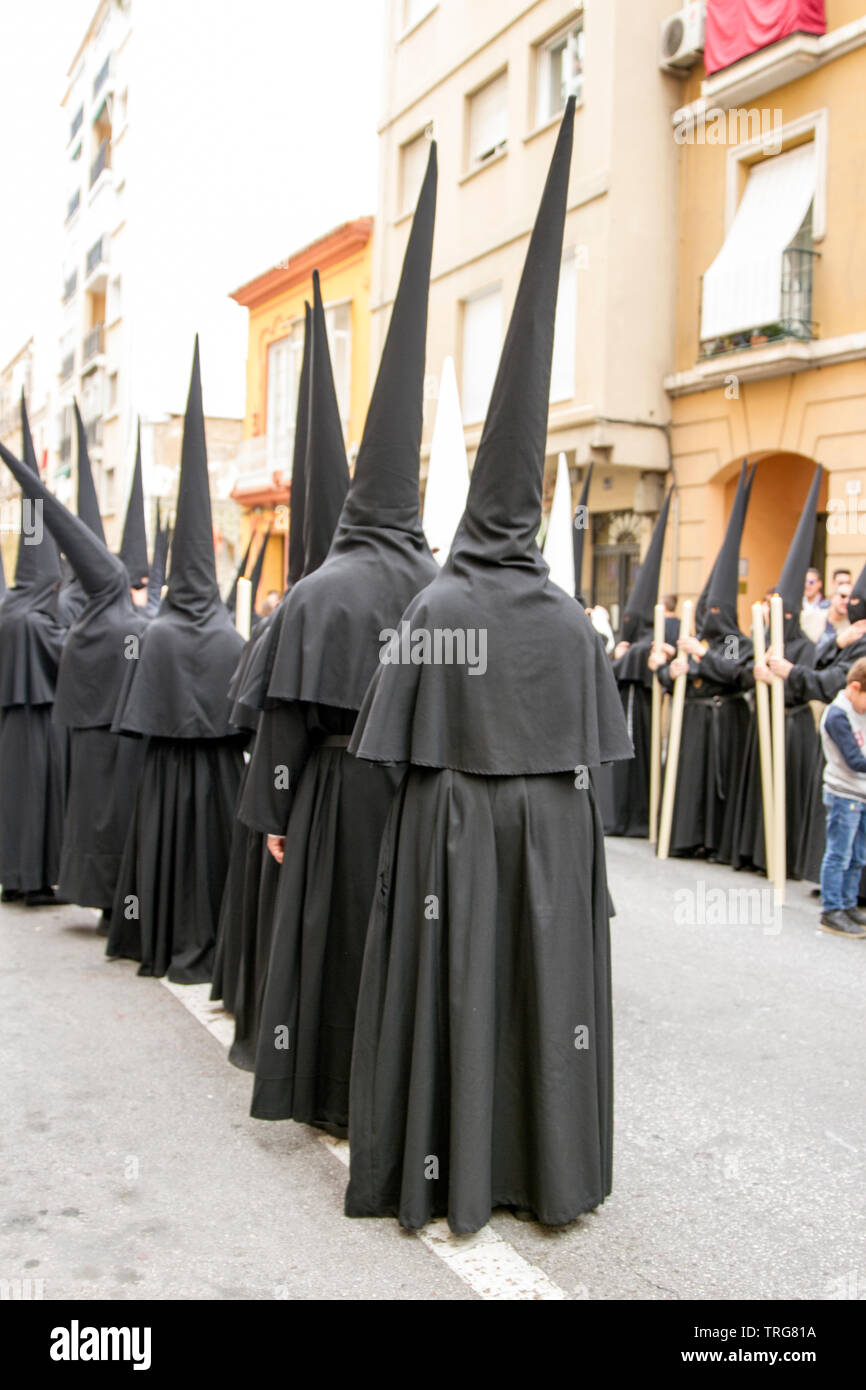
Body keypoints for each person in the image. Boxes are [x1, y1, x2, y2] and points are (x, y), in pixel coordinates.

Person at [344, 99, 633, 1234]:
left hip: (450, 838)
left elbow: (383, 755)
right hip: (553, 842)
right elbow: (598, 775)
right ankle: (548, 1172)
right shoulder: (571, 623)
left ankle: (444, 1165)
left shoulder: (436, 600)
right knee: (541, 998)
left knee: (459, 996)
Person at [244, 144, 440, 1135]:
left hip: (329, 785)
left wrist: (275, 808)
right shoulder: (443, 587)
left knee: (329, 939)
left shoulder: (318, 589)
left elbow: (283, 714)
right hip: (417, 796)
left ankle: (327, 1091)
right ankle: (399, 1094)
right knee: (403, 938)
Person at [107, 340, 246, 982]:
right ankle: (213, 944)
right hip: (219, 777)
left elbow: (135, 719)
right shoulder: (230, 639)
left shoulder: (158, 636)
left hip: (164, 775)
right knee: (213, 861)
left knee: (166, 856)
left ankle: (159, 941)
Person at [0, 436, 148, 928]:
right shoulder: (120, 627)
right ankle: (95, 898)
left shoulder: (67, 625)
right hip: (89, 735)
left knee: (61, 816)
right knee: (97, 819)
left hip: (59, 734)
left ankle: (31, 878)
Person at [650, 461, 755, 861]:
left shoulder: (736, 642)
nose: (711, 617)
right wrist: (666, 669)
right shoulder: (693, 639)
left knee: (718, 782)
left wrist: (703, 656)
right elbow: (671, 676)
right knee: (688, 780)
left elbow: (735, 674)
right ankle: (684, 837)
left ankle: (715, 842)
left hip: (724, 721)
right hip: (691, 719)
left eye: (717, 611)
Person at [735, 467, 821, 875]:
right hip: (765, 726)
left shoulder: (807, 646)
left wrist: (782, 680)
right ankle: (756, 852)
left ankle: (784, 859)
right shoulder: (762, 639)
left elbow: (812, 686)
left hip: (793, 728)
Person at [0, 398, 67, 906]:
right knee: (38, 804)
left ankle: (11, 877)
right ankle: (35, 881)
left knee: (9, 803)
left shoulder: (8, 611)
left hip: (7, 726)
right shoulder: (40, 618)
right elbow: (67, 659)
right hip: (40, 725)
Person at [598, 488, 673, 837]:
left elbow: (616, 672)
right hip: (632, 707)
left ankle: (630, 818)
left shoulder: (643, 647)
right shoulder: (641, 646)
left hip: (635, 710)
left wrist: (620, 657)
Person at [815, 657, 866, 938]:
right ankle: (831, 909)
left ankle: (847, 904)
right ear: (855, 688)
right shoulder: (838, 715)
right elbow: (855, 760)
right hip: (843, 793)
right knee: (839, 854)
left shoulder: (860, 709)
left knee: (858, 855)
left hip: (861, 794)